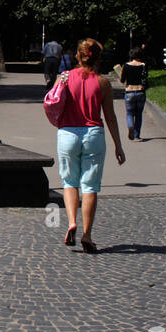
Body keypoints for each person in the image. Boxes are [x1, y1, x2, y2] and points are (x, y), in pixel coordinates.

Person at [56, 38, 125, 252]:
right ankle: (87, 234)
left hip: (68, 132)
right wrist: (118, 146)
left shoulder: (64, 77)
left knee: (69, 181)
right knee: (90, 186)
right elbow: (110, 117)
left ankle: (71, 223)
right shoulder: (103, 83)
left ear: (77, 56)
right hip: (93, 133)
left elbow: (54, 102)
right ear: (97, 58)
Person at [120, 46, 148, 141]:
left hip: (129, 91)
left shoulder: (126, 65)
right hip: (140, 91)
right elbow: (145, 78)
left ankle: (130, 125)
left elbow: (122, 80)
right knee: (139, 114)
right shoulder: (143, 65)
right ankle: (137, 135)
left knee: (129, 113)